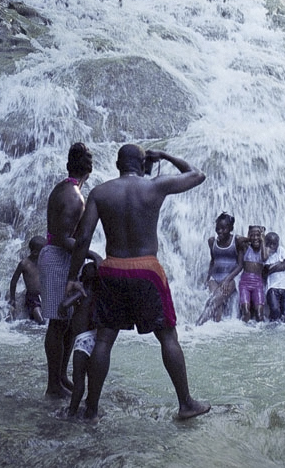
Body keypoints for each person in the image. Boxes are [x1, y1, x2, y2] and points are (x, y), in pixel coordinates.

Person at [65, 144, 210, 422]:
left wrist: (72, 278)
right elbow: (197, 174)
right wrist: (165, 155)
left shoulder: (100, 192)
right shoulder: (155, 185)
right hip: (147, 270)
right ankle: (186, 404)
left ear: (117, 165)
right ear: (143, 165)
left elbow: (83, 238)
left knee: (104, 340)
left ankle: (91, 410)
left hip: (112, 270)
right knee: (167, 338)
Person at [39, 142, 93, 399]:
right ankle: (53, 384)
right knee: (58, 322)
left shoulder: (64, 188)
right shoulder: (74, 197)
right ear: (89, 170)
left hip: (61, 259)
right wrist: (92, 254)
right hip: (57, 259)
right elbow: (62, 238)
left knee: (66, 323)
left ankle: (61, 378)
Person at [195, 212, 243, 325]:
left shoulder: (237, 241)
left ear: (230, 228)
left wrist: (227, 280)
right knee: (217, 303)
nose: (220, 231)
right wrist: (208, 278)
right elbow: (213, 261)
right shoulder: (212, 242)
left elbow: (240, 265)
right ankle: (216, 327)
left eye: (223, 228)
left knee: (213, 301)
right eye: (218, 228)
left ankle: (197, 325)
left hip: (231, 278)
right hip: (215, 278)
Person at [64, 258, 98, 419]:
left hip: (82, 341)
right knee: (92, 378)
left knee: (78, 381)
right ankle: (89, 407)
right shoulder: (99, 294)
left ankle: (71, 412)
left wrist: (68, 300)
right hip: (96, 339)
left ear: (81, 278)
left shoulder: (82, 292)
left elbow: (65, 305)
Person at [222, 225, 267, 323]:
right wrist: (251, 238)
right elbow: (237, 239)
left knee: (259, 314)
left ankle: (261, 332)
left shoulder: (264, 249)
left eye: (258, 235)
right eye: (252, 235)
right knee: (245, 312)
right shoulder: (246, 247)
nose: (255, 238)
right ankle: (244, 331)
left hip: (257, 284)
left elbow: (264, 258)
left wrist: (262, 240)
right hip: (245, 283)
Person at [8, 236, 46, 324]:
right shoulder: (24, 264)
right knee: (41, 321)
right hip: (32, 297)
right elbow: (14, 281)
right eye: (44, 251)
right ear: (35, 252)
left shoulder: (44, 261)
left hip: (44, 295)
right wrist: (12, 298)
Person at [263, 231, 285, 322]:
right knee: (275, 311)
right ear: (265, 243)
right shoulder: (264, 254)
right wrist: (281, 263)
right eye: (269, 243)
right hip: (272, 287)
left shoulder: (280, 250)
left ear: (278, 243)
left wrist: (271, 267)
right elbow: (264, 271)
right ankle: (272, 329)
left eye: (274, 244)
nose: (272, 246)